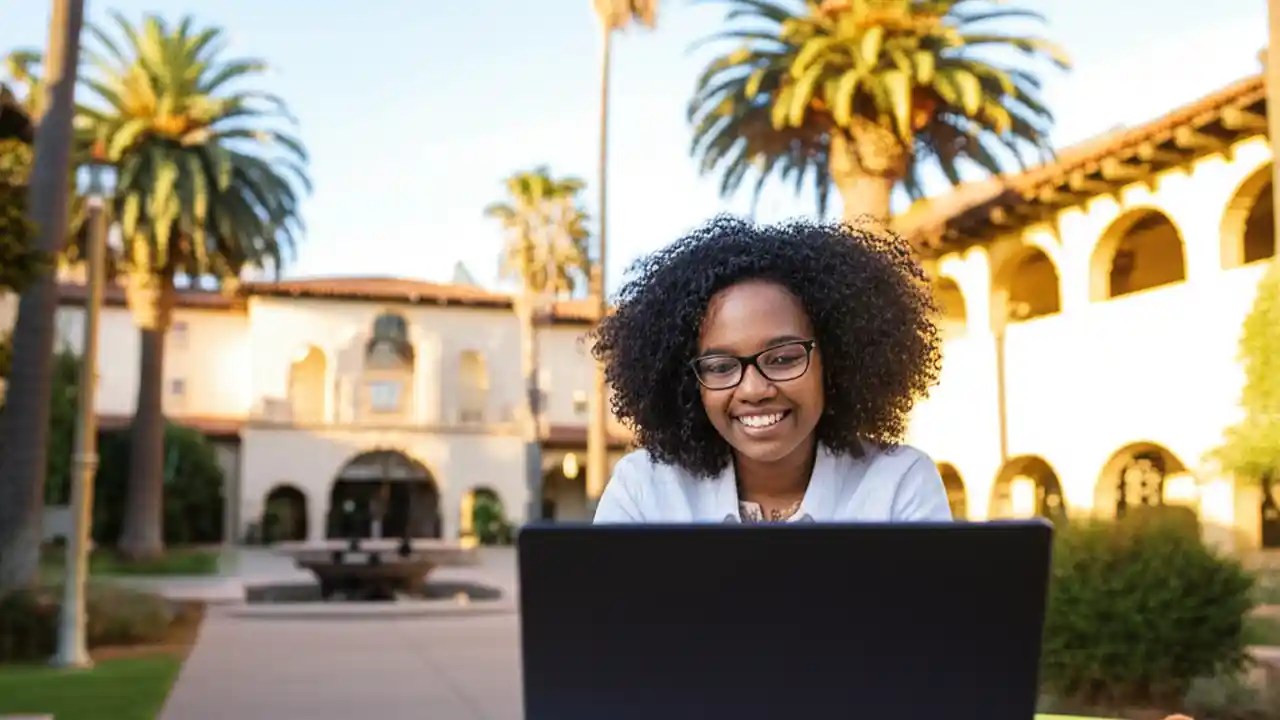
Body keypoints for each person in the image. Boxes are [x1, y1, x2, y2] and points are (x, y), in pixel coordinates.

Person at [589, 215, 953, 524]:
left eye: (782, 359)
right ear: (689, 382)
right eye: (719, 366)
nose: (753, 389)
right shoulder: (644, 490)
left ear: (834, 361)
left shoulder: (899, 485)